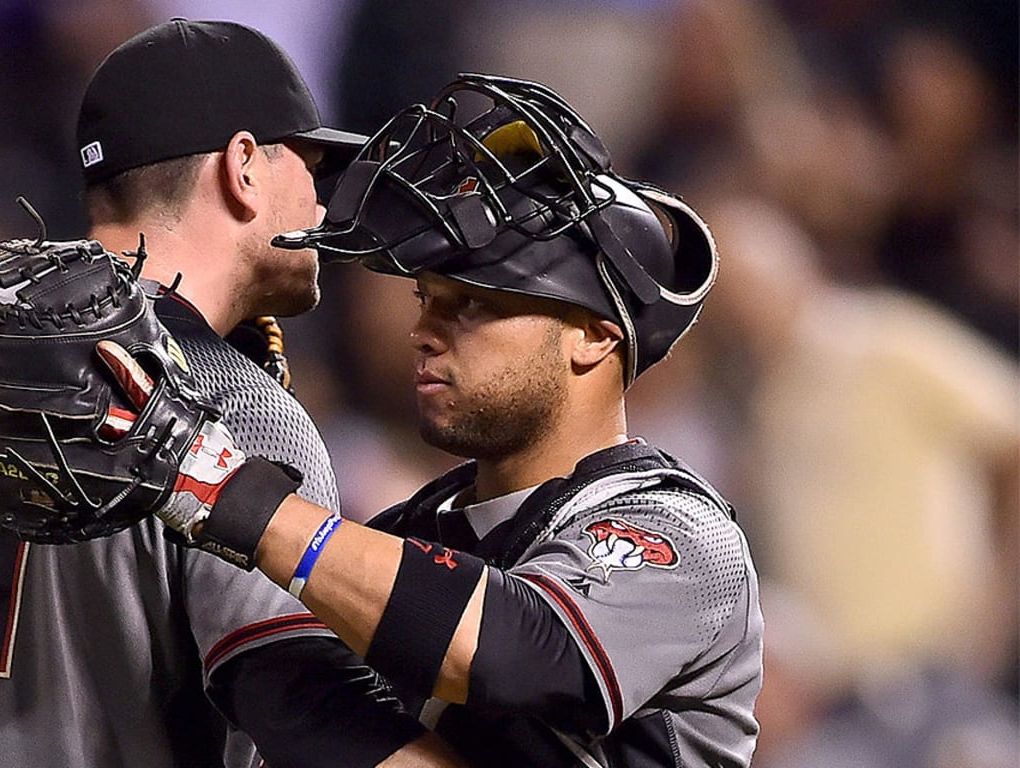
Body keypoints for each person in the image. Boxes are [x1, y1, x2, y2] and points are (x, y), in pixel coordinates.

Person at [0, 18, 458, 768]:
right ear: (243, 167)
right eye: (311, 166)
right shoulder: (239, 404)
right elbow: (303, 709)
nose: (320, 204)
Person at [93, 74, 763, 767]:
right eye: (425, 298)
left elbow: (523, 653)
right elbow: (290, 695)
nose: (421, 332)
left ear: (593, 336)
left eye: (470, 303)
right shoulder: (402, 539)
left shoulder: (682, 535)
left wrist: (229, 493)